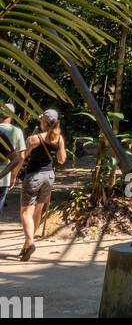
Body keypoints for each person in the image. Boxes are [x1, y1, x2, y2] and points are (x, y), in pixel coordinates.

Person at [19, 108, 66, 260]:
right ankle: (26, 245)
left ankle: (30, 242)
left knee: (26, 212)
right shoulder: (58, 139)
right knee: (38, 211)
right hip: (49, 178)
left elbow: (22, 158)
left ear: (45, 123)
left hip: (34, 177)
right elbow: (61, 160)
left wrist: (13, 176)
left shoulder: (34, 138)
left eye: (41, 120)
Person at [0, 102, 25, 215]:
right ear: (12, 116)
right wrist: (14, 175)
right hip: (4, 176)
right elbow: (21, 157)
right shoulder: (17, 132)